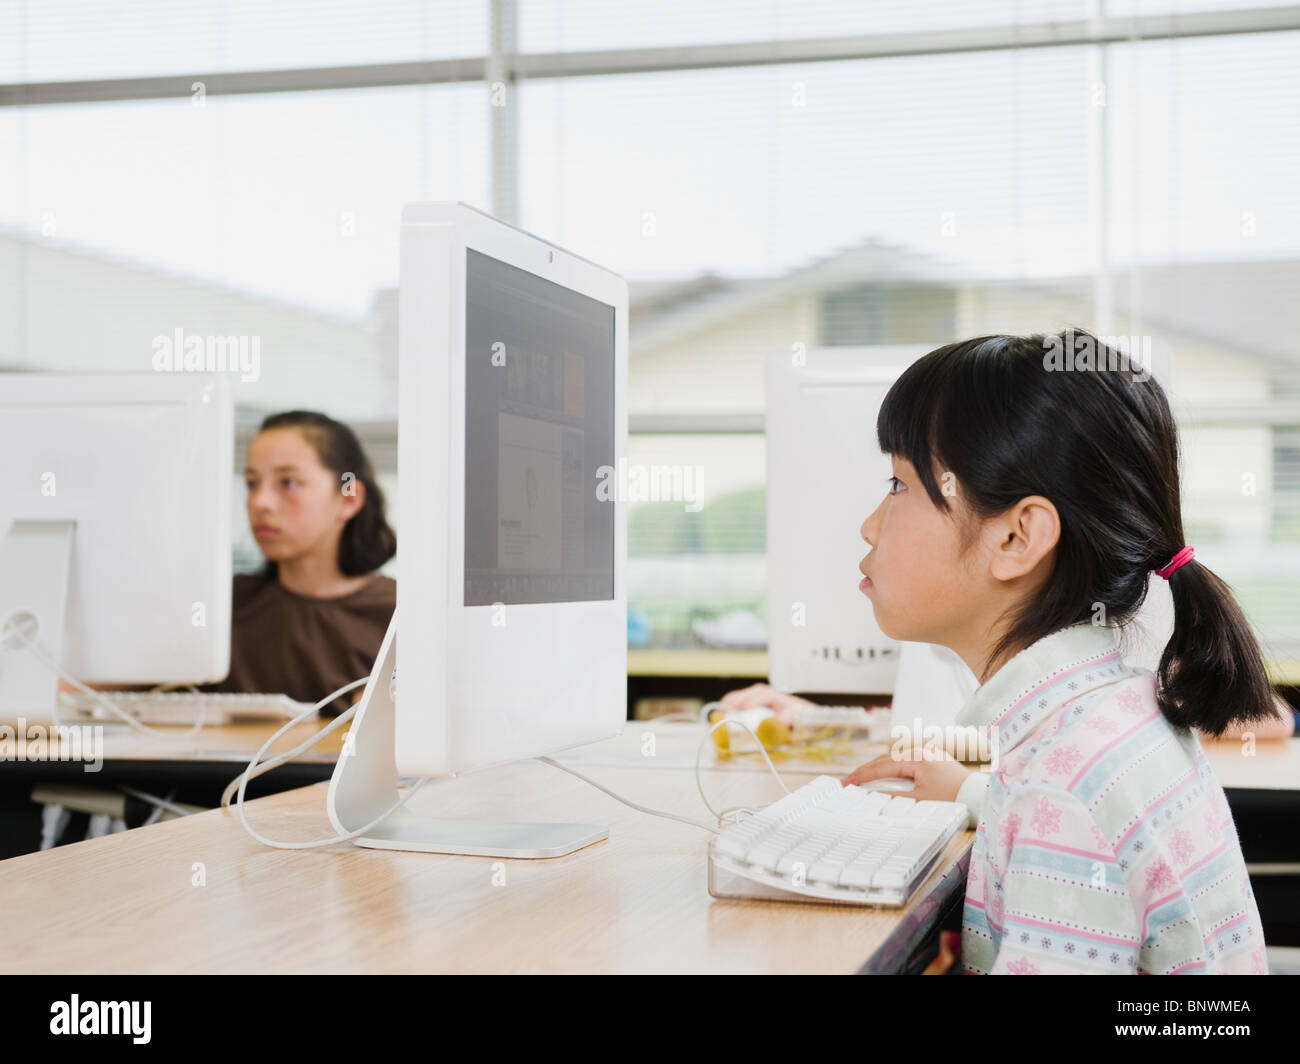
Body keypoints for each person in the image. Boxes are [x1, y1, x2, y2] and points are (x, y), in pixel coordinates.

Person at [724, 331, 1276, 974]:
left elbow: (1069, 820)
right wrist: (971, 793)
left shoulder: (1064, 793)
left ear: (1017, 537)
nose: (870, 525)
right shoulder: (1113, 714)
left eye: (900, 485)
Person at [210, 410, 396, 715]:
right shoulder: (221, 608)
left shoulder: (402, 617)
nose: (260, 503)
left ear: (348, 498)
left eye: (289, 483)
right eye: (253, 483)